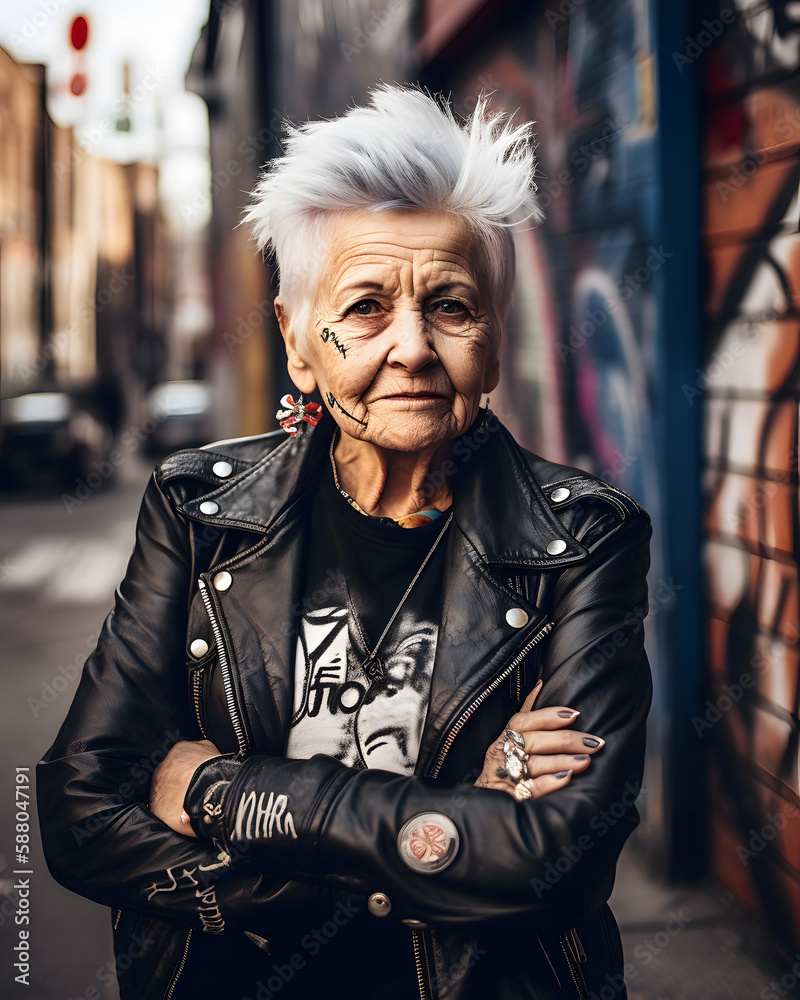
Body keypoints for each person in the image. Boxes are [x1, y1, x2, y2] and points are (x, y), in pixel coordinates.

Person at [37, 85, 652, 1000]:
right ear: (297, 342)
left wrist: (222, 795)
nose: (410, 346)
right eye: (365, 307)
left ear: (490, 341)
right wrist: (454, 829)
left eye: (450, 305)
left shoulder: (586, 539)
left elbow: (558, 863)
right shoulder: (197, 515)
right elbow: (82, 813)